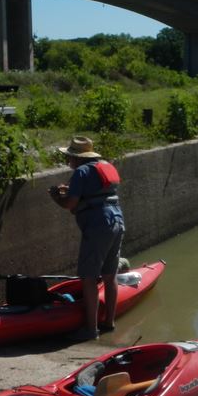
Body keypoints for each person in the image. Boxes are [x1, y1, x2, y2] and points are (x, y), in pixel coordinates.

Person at [49, 136, 125, 341]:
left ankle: (91, 330)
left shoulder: (81, 172)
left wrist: (56, 197)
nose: (68, 161)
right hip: (117, 219)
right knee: (110, 276)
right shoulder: (105, 166)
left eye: (70, 157)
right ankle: (109, 322)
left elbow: (71, 204)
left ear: (77, 158)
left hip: (98, 224)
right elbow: (95, 191)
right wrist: (71, 189)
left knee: (89, 278)